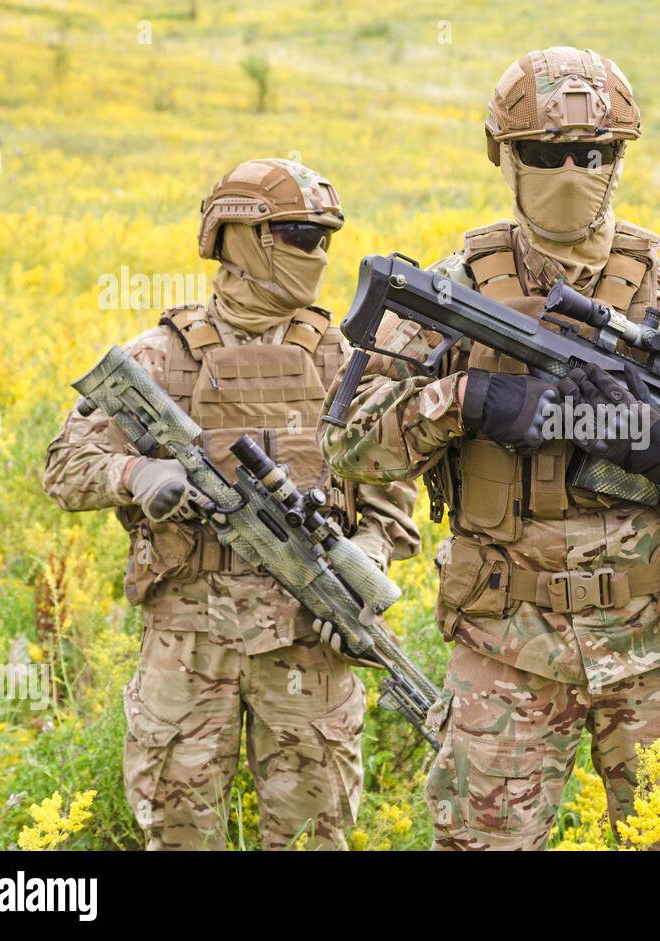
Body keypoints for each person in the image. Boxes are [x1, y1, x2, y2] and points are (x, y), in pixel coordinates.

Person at [320, 47, 660, 850]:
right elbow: (350, 447)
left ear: (619, 160)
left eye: (590, 154)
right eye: (543, 151)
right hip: (506, 652)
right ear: (505, 156)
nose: (569, 169)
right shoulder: (447, 294)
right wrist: (467, 399)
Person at [43, 158, 419, 850]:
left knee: (313, 837)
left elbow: (393, 493)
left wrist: (366, 556)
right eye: (299, 233)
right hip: (189, 641)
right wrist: (135, 474)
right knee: (181, 835)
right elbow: (64, 465)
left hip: (309, 640)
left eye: (322, 236)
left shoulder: (344, 361)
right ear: (243, 237)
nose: (316, 252)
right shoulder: (162, 357)